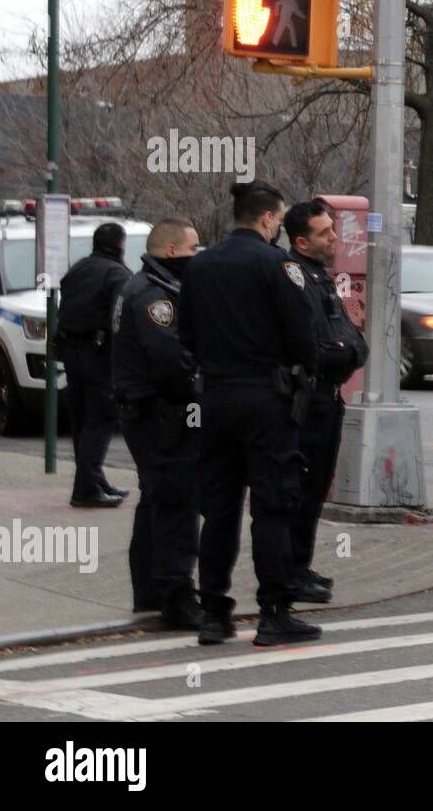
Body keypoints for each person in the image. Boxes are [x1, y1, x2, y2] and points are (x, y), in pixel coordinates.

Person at [178, 181, 318, 647]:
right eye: (278, 220)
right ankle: (273, 613)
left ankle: (214, 613)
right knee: (272, 507)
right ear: (267, 219)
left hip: (214, 398)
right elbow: (303, 336)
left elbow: (187, 335)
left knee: (218, 510)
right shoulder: (279, 265)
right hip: (265, 399)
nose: (278, 226)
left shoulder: (198, 266)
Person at [113, 218, 202, 628]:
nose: (197, 255)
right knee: (175, 502)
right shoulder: (154, 296)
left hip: (149, 410)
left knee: (155, 499)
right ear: (171, 251)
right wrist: (202, 387)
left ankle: (150, 591)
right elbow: (170, 362)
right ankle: (176, 595)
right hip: (160, 413)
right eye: (192, 248)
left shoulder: (152, 285)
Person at [284, 201, 369, 604]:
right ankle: (289, 571)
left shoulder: (320, 277)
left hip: (328, 399)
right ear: (301, 241)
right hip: (308, 399)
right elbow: (313, 346)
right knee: (300, 488)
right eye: (324, 232)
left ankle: (299, 565)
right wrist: (344, 354)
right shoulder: (295, 278)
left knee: (316, 487)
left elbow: (350, 338)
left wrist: (351, 352)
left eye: (333, 230)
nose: (334, 237)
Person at [57, 221, 132, 507]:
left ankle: (93, 479)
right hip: (99, 357)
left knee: (83, 420)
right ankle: (86, 489)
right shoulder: (117, 273)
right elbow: (119, 322)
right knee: (100, 420)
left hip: (72, 354)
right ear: (120, 245)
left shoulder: (79, 269)